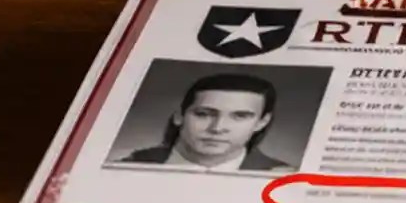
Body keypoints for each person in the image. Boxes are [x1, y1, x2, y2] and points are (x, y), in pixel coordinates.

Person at [118, 73, 295, 172]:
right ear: (179, 116)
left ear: (261, 122)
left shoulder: (283, 177)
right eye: (203, 114)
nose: (217, 128)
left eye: (240, 116)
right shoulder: (129, 166)